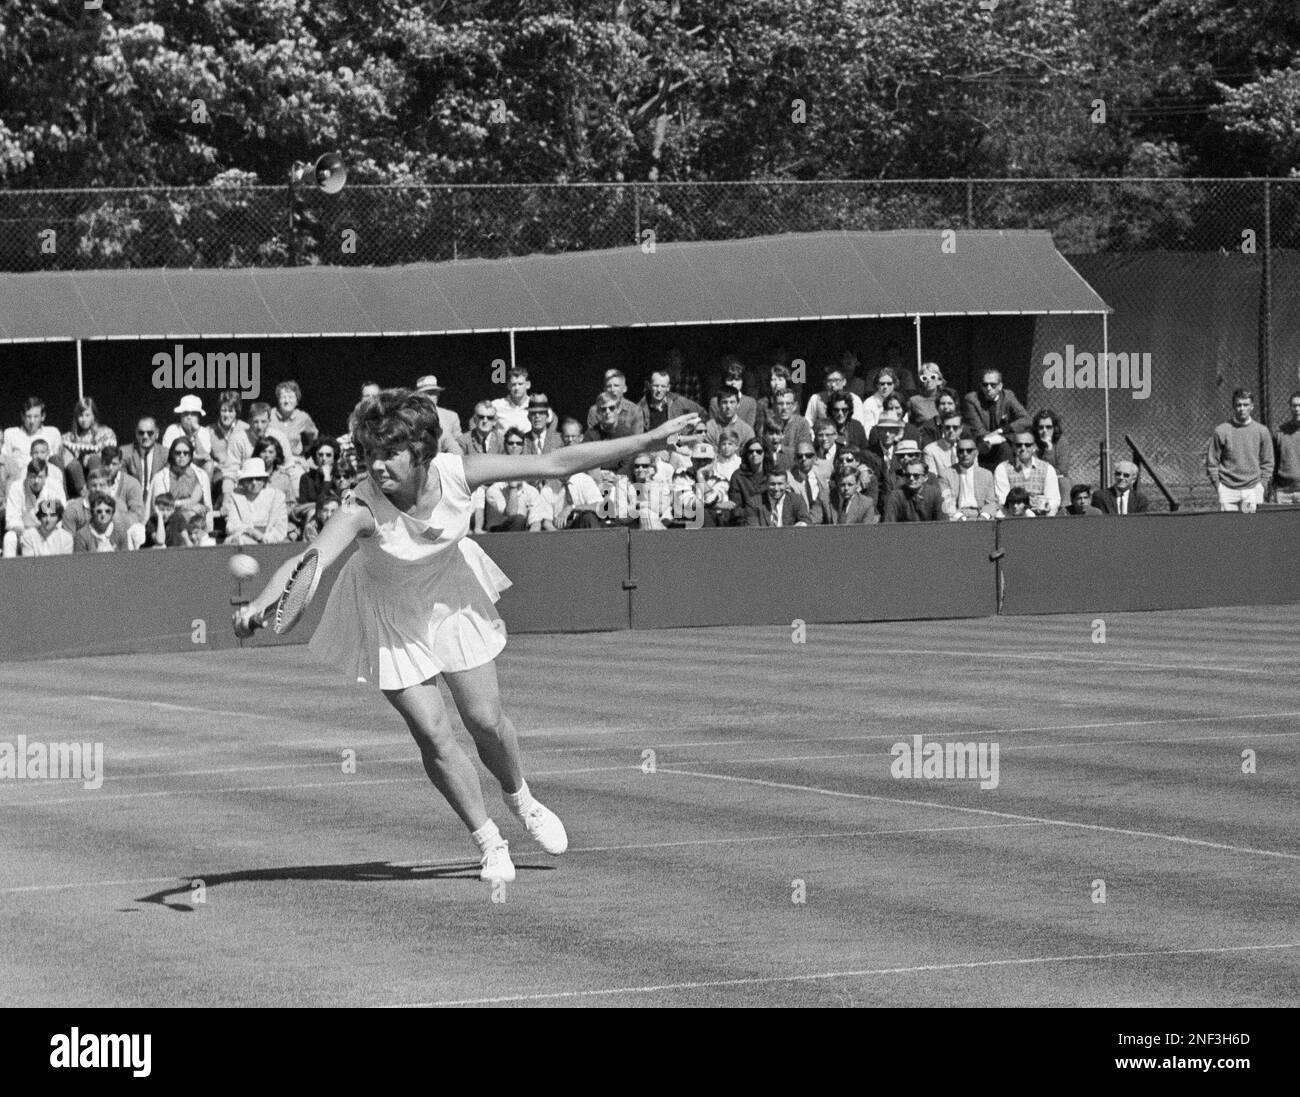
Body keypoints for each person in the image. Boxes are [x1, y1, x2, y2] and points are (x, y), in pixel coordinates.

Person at [232, 388, 699, 883]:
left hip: (452, 596)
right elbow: (313, 560)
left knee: (485, 719)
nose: (378, 465)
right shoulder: (359, 508)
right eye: (370, 453)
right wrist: (263, 603)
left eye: (390, 453)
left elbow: (557, 463)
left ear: (422, 452)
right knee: (432, 731)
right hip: (390, 616)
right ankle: (489, 841)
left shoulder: (459, 472)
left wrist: (648, 439)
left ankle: (521, 798)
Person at [1206, 388, 1273, 512]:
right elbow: (1212, 462)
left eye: (1246, 405)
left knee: (1249, 527)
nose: (1242, 408)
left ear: (1252, 406)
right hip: (1228, 491)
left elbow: (1268, 461)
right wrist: (1218, 486)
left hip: (1251, 491)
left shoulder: (1261, 431)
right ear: (1233, 406)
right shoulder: (1222, 430)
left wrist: (1262, 485)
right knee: (1229, 528)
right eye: (1238, 405)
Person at [963, 370, 1032, 471]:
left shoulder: (1008, 396)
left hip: (1001, 442)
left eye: (993, 385)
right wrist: (996, 438)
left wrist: (1002, 431)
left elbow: (1026, 419)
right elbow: (980, 432)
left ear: (1000, 386)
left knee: (1009, 447)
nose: (988, 388)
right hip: (981, 445)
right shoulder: (971, 400)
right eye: (985, 385)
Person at [3, 458, 67, 557]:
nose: (36, 481)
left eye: (40, 477)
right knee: (9, 537)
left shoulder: (55, 487)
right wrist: (28, 535)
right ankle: (7, 571)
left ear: (46, 477)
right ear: (27, 476)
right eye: (33, 477)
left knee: (62, 537)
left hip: (48, 532)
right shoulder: (17, 488)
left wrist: (42, 534)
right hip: (22, 533)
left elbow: (58, 518)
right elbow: (12, 520)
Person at [150, 437, 214, 530]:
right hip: (169, 523)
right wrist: (188, 507)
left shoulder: (201, 476)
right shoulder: (160, 477)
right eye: (178, 453)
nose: (182, 455)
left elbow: (199, 501)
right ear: (172, 454)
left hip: (197, 524)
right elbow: (159, 505)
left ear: (191, 455)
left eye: (186, 453)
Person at [223, 457, 289, 545]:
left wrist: (265, 538)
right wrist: (250, 531)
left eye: (258, 479)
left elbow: (281, 527)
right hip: (245, 540)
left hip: (273, 542)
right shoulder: (235, 496)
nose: (254, 482)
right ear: (243, 481)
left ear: (264, 480)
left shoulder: (277, 496)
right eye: (250, 479)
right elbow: (232, 525)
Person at [994, 431, 1061, 516]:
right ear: (1013, 447)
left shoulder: (1047, 468)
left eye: (1027, 445)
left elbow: (1054, 499)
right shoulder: (1002, 468)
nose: (1023, 448)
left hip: (1041, 516)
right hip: (1013, 516)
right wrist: (1028, 507)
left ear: (1034, 447)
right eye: (1019, 445)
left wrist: (1046, 505)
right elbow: (1002, 500)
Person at [61, 397, 117, 496]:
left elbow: (110, 454)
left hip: (98, 469)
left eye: (87, 415)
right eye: (81, 415)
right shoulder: (69, 437)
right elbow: (65, 455)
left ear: (94, 416)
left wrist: (91, 456)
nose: (84, 419)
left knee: (94, 459)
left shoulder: (105, 433)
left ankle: (98, 492)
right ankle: (84, 493)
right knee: (73, 464)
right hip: (76, 477)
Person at [939, 434, 998, 520]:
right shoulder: (945, 474)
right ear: (957, 453)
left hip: (981, 514)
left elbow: (991, 502)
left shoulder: (986, 474)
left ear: (976, 452)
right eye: (961, 451)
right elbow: (946, 503)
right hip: (956, 516)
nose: (965, 454)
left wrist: (984, 516)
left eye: (969, 450)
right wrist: (960, 517)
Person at [120, 417, 166, 513]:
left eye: (150, 433)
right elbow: (122, 483)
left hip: (157, 504)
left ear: (157, 434)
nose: (145, 436)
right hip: (132, 503)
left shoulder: (165, 454)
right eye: (141, 433)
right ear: (136, 434)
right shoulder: (125, 453)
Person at [882, 457, 948, 522]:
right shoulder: (896, 496)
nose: (911, 478)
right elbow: (888, 524)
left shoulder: (935, 494)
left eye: (916, 475)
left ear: (925, 477)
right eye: (908, 475)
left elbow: (943, 523)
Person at [638, 370, 703, 435]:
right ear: (649, 386)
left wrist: (698, 426)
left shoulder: (678, 402)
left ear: (668, 388)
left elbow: (702, 413)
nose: (659, 390)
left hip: (675, 443)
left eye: (663, 386)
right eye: (656, 386)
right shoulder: (639, 408)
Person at [271, 380, 320, 465]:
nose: (287, 401)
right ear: (278, 400)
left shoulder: (303, 417)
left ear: (297, 401)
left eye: (290, 397)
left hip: (295, 462)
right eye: (283, 397)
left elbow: (314, 438)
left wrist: (305, 455)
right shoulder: (270, 415)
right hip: (273, 461)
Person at [161, 395, 214, 473]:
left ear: (198, 417)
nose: (189, 417)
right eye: (186, 413)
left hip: (197, 470)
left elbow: (204, 456)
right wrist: (194, 458)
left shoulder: (204, 432)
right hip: (176, 467)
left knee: (209, 464)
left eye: (193, 414)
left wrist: (195, 434)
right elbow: (167, 456)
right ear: (181, 415)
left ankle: (205, 485)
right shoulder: (172, 429)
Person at [414, 375, 465, 455]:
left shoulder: (451, 416)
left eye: (435, 392)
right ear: (418, 396)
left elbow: (460, 444)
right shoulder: (410, 416)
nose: (432, 396)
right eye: (428, 393)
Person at [745, 471, 811, 527]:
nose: (776, 488)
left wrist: (801, 524)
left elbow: (806, 520)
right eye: (772, 484)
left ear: (787, 484)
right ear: (766, 484)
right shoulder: (754, 503)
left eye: (780, 484)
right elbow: (753, 529)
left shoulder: (796, 500)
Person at [789, 442, 832, 524]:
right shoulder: (789, 480)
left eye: (808, 455)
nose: (804, 458)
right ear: (795, 459)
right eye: (799, 456)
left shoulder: (823, 474)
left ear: (815, 458)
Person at [1273, 391, 1300, 505]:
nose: (1297, 409)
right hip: (1283, 492)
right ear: (1290, 407)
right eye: (1294, 405)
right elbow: (1273, 462)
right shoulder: (1279, 433)